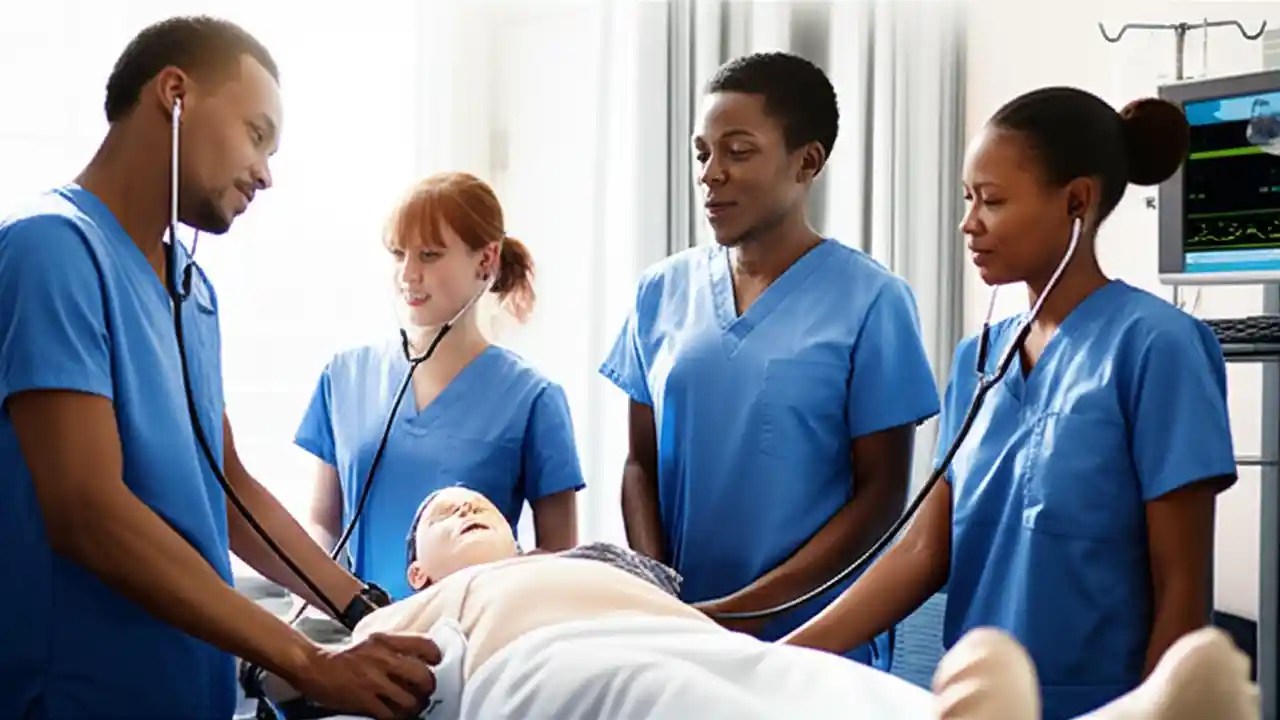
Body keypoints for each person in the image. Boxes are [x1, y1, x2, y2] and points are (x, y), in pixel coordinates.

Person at [0, 16, 439, 720]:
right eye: (256, 134)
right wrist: (308, 660)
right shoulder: (52, 248)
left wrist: (362, 609)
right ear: (174, 94)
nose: (266, 172)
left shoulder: (191, 293)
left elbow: (228, 488)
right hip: (79, 698)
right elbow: (86, 511)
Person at [782, 87, 1238, 720]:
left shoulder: (1159, 346)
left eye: (993, 201)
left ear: (1076, 201)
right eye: (968, 199)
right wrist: (781, 657)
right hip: (976, 703)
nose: (969, 223)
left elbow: (1184, 586)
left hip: (1100, 704)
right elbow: (922, 553)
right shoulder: (978, 359)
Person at [256, 486, 1259, 720]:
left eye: (479, 503)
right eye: (442, 516)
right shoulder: (421, 606)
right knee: (685, 702)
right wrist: (284, 662)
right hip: (550, 668)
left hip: (686, 631)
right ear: (416, 569)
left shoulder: (604, 558)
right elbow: (308, 675)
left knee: (812, 685)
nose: (464, 507)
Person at [597, 50, 940, 669]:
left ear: (807, 161)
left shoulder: (872, 300)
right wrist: (661, 596)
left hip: (815, 645)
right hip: (682, 641)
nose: (710, 173)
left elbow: (882, 497)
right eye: (702, 152)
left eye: (738, 150)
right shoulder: (661, 291)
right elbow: (639, 466)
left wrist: (743, 612)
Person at [295, 171, 586, 601]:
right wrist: (336, 605)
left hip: (474, 642)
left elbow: (561, 557)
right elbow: (323, 522)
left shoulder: (533, 399)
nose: (408, 275)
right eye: (399, 254)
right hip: (359, 638)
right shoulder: (344, 377)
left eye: (429, 255)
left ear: (486, 261)